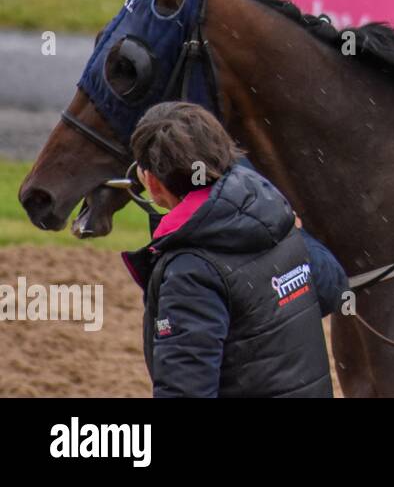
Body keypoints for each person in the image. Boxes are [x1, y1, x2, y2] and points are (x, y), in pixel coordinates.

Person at [121, 101, 346, 397]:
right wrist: (299, 235)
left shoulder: (190, 269)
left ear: (151, 180)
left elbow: (186, 390)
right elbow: (334, 290)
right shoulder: (271, 213)